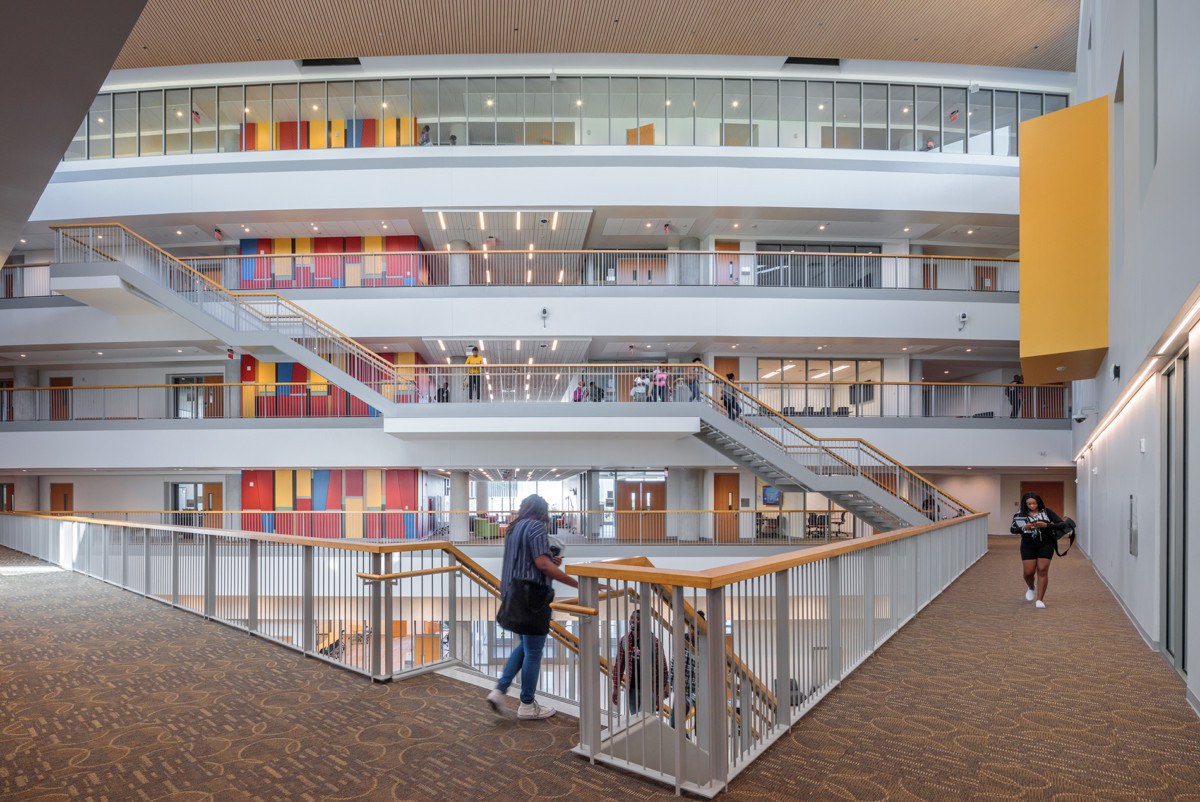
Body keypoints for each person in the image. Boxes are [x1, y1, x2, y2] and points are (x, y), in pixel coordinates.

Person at [487, 494, 578, 720]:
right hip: (532, 597)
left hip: (513, 594)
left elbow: (533, 560)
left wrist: (549, 560)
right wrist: (577, 583)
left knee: (525, 646)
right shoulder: (536, 527)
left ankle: (499, 690)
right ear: (542, 512)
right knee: (534, 650)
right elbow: (543, 565)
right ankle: (527, 704)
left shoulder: (513, 529)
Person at [1010, 491, 1065, 609]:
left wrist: (1047, 525)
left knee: (1042, 570)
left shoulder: (1046, 512)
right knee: (1028, 573)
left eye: (1034, 503)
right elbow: (1012, 529)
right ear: (1025, 504)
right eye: (1029, 504)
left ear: (1038, 502)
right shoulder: (1020, 514)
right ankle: (1031, 587)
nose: (1032, 506)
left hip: (1045, 543)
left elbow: (1062, 524)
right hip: (1028, 544)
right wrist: (1024, 527)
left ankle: (1040, 599)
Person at [612, 610, 668, 715]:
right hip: (632, 689)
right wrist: (615, 688)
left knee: (647, 719)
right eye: (632, 618)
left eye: (638, 619)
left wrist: (661, 692)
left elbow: (662, 668)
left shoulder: (654, 642)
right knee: (635, 720)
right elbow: (619, 665)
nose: (633, 621)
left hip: (649, 689)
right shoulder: (625, 640)